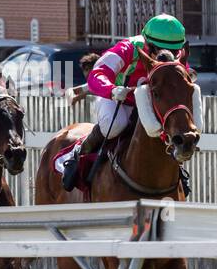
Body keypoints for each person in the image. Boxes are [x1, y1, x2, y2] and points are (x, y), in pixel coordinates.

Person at [59, 13, 189, 192]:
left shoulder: (178, 54)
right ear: (147, 43)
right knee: (115, 125)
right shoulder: (128, 48)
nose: (168, 55)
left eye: (174, 51)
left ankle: (177, 170)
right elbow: (97, 74)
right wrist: (112, 89)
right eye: (159, 50)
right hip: (120, 99)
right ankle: (81, 150)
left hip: (152, 101)